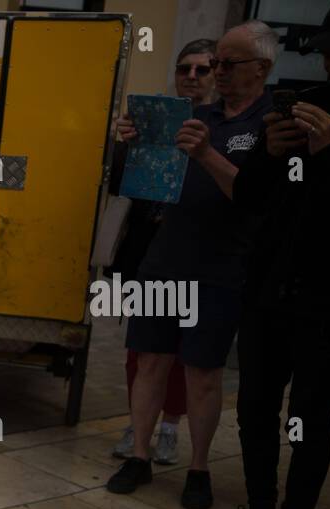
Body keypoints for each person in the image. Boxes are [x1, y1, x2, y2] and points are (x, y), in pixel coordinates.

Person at [194, 0, 330, 509]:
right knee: (256, 410)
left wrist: (328, 155)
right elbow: (256, 198)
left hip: (328, 305)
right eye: (329, 52)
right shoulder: (313, 108)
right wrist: (270, 153)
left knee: (307, 420)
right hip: (268, 293)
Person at [107, 21, 275, 509]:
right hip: (165, 260)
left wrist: (205, 154)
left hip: (220, 269)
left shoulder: (269, 127)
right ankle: (139, 456)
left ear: (261, 68)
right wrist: (131, 143)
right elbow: (138, 185)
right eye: (212, 64)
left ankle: (198, 468)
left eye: (227, 64)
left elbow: (255, 199)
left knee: (202, 373)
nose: (216, 73)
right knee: (149, 361)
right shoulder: (196, 114)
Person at [110, 38, 218, 466]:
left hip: (198, 255)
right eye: (184, 68)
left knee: (187, 354)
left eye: (202, 69)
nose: (191, 77)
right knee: (144, 348)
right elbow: (121, 185)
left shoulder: (222, 125)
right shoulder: (153, 117)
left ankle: (170, 427)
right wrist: (124, 144)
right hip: (146, 251)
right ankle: (139, 426)